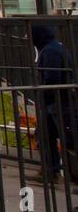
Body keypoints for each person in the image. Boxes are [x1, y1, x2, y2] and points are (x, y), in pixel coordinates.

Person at [30, 25, 77, 184]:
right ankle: (51, 171)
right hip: (57, 102)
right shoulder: (55, 48)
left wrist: (42, 95)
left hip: (58, 103)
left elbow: (52, 78)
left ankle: (67, 174)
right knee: (44, 134)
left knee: (69, 139)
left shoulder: (50, 51)